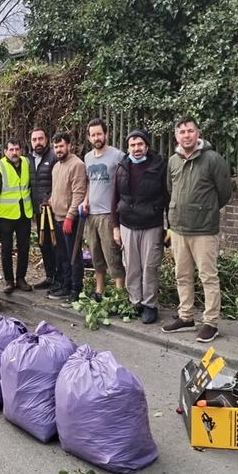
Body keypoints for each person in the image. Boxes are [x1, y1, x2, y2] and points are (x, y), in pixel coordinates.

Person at [162, 117, 233, 342]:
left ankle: (211, 322)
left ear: (198, 133)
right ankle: (186, 316)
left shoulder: (212, 159)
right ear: (176, 136)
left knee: (208, 276)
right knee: (182, 275)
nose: (186, 135)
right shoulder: (173, 161)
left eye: (190, 131)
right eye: (182, 132)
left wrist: (206, 210)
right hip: (179, 228)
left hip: (204, 230)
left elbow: (224, 192)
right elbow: (170, 189)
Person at [111, 130, 169, 324]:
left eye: (140, 145)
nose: (136, 149)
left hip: (151, 224)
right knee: (132, 266)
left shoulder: (159, 166)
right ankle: (135, 301)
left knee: (150, 266)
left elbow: (168, 197)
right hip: (127, 224)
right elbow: (115, 198)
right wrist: (115, 226)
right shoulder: (122, 167)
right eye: (133, 145)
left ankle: (150, 305)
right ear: (128, 148)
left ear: (146, 146)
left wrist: (168, 226)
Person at [81, 118, 126, 302]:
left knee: (112, 255)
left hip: (109, 215)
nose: (96, 137)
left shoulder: (118, 156)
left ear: (106, 134)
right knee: (96, 255)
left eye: (99, 134)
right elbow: (89, 182)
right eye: (93, 135)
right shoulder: (88, 157)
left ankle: (119, 294)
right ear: (89, 138)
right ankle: (99, 290)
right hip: (92, 215)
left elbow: (123, 183)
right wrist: (85, 201)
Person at [0, 138, 34, 294]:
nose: (14, 152)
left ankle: (21, 278)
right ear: (5, 151)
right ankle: (9, 280)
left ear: (21, 150)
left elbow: (30, 184)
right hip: (6, 215)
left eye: (17, 149)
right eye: (11, 149)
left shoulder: (27, 163)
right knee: (6, 248)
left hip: (24, 213)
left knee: (24, 247)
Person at [47, 131, 87, 305]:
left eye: (61, 146)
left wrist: (70, 216)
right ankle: (66, 284)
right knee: (62, 255)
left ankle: (76, 290)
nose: (58, 149)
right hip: (57, 217)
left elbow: (79, 193)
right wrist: (51, 201)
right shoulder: (56, 166)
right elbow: (59, 190)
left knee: (73, 256)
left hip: (70, 220)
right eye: (56, 147)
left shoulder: (77, 165)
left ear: (69, 145)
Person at [27, 127, 57, 290]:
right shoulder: (28, 159)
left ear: (46, 140)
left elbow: (59, 180)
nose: (37, 142)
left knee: (56, 244)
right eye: (34, 139)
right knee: (43, 243)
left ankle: (60, 278)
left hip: (53, 209)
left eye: (40, 139)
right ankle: (49, 276)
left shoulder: (54, 157)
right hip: (38, 211)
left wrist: (50, 198)